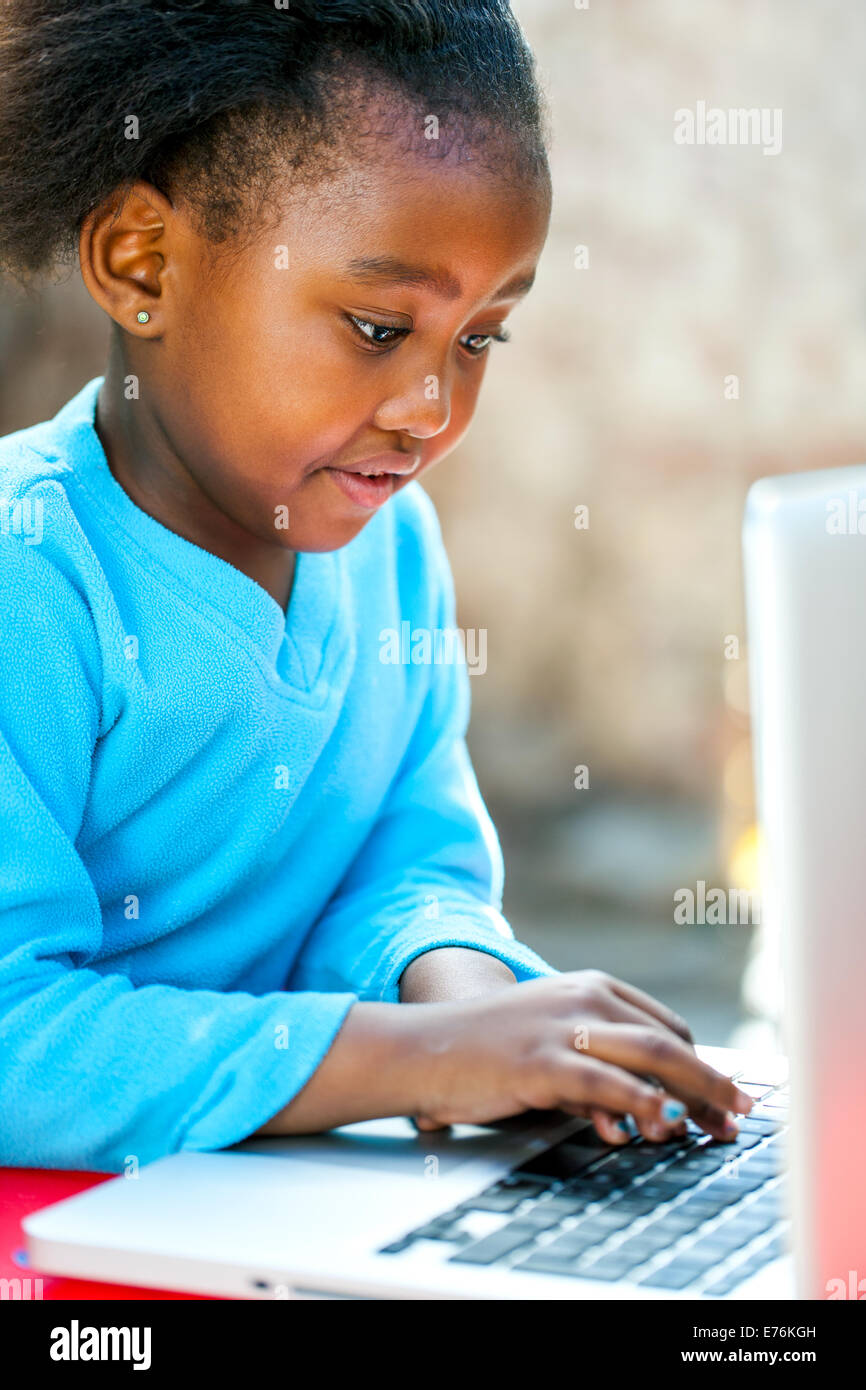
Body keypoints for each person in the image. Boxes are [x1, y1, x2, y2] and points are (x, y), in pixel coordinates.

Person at [0, 0, 751, 1173]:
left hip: (271, 1211)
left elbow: (401, 861)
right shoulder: (30, 578)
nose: (431, 412)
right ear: (142, 264)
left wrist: (482, 1016)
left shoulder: (388, 550)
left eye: (479, 337)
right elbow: (14, 1039)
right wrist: (412, 1060)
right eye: (373, 326)